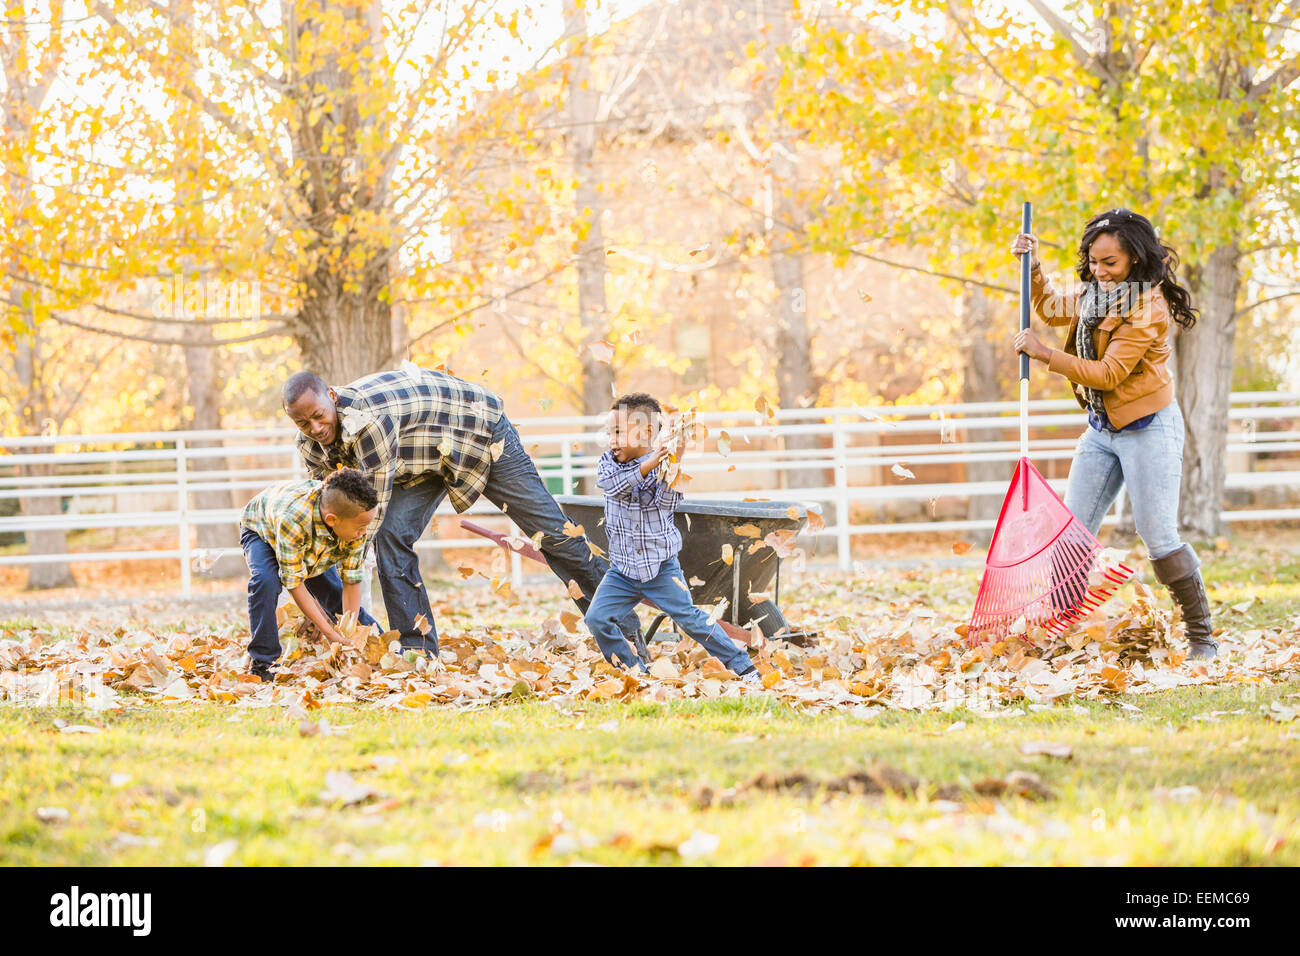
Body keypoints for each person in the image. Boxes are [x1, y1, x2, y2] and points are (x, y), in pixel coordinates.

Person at [281, 365, 643, 657]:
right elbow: (337, 512)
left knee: (552, 535)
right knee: (392, 537)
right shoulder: (310, 445)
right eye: (303, 423)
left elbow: (367, 515)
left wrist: (351, 576)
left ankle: (623, 632)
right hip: (421, 454)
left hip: (479, 432)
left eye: (318, 416)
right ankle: (418, 651)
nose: (315, 428)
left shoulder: (369, 423)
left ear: (332, 397)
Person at [1012, 208, 1216, 659]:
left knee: (1157, 535)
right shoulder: (1094, 295)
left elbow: (1107, 374)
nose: (1099, 271)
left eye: (1111, 263)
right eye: (1094, 260)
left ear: (1135, 261)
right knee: (1071, 537)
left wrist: (1043, 353)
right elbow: (1049, 307)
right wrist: (1035, 266)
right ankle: (1063, 638)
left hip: (1148, 429)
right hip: (1102, 429)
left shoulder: (1148, 307)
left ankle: (1203, 639)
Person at [584, 392, 761, 683]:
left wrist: (674, 457)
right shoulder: (609, 463)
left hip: (661, 568)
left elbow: (667, 504)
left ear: (647, 433)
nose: (612, 440)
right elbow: (612, 486)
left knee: (691, 619)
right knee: (596, 619)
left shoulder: (666, 469)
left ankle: (742, 666)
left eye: (618, 432)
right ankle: (633, 670)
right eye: (609, 433)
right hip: (623, 571)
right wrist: (650, 462)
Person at [239, 468, 381, 682]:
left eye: (366, 526)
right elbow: (295, 582)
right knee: (266, 582)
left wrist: (347, 633)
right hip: (263, 530)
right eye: (361, 527)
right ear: (333, 520)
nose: (364, 533)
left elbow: (351, 581)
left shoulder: (356, 525)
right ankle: (263, 661)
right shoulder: (293, 519)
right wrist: (330, 633)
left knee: (334, 593)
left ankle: (379, 645)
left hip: (313, 542)